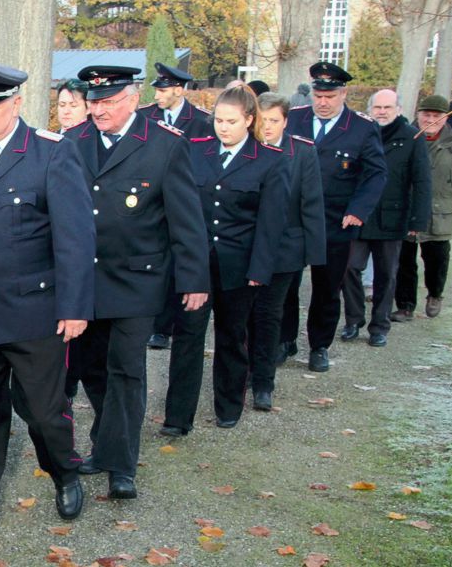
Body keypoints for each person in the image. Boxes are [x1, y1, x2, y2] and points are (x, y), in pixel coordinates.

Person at [0, 62, 95, 546]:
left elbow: (75, 236)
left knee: (46, 414)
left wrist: (75, 307)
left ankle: (65, 471)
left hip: (33, 314)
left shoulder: (51, 154)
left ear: (17, 104)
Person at [66, 66, 209, 494]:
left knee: (127, 368)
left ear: (132, 98)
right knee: (92, 367)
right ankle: (106, 443)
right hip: (85, 280)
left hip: (136, 280)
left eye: (108, 101)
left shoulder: (164, 146)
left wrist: (194, 279)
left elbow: (187, 219)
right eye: (93, 102)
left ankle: (121, 464)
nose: (98, 110)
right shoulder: (72, 143)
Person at [163, 85, 289, 430]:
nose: (223, 127)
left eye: (231, 121)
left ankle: (228, 406)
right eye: (218, 120)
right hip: (196, 265)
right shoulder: (194, 151)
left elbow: (271, 222)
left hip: (239, 266)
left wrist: (259, 269)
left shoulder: (270, 160)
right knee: (188, 336)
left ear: (249, 120)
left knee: (231, 336)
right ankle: (177, 416)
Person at [286, 62, 386, 372]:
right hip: (293, 218)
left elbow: (376, 174)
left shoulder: (361, 127)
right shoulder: (293, 120)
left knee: (327, 286)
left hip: (335, 220)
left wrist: (358, 210)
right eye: (318, 95)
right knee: (285, 283)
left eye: (330, 96)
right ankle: (284, 339)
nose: (323, 102)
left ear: (343, 94)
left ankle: (319, 346)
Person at [248, 92, 326, 410]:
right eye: (262, 120)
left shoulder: (302, 153)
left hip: (284, 250)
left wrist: (313, 255)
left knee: (269, 314)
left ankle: (263, 383)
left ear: (285, 121)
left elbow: (311, 204)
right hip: (247, 247)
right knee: (244, 316)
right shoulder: (244, 150)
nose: (267, 127)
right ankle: (243, 372)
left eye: (274, 121)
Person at [340, 90, 430, 346]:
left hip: (393, 216)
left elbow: (422, 180)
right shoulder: (360, 134)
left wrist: (418, 220)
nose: (382, 111)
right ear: (369, 109)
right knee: (349, 268)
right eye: (377, 107)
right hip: (359, 215)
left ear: (398, 109)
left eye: (387, 107)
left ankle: (379, 326)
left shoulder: (412, 137)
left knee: (386, 274)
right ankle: (354, 320)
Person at [136, 63, 212, 350]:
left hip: (185, 198)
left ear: (179, 90)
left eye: (164, 90)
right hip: (152, 199)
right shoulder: (144, 117)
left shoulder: (202, 122)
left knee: (180, 261)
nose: (157, 95)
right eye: (156, 89)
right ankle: (160, 325)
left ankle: (172, 321)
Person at [393, 94, 452, 321]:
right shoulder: (404, 138)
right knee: (404, 261)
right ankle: (405, 305)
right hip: (406, 212)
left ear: (445, 117)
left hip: (440, 212)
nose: (430, 119)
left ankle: (435, 294)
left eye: (436, 116)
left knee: (437, 259)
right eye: (426, 115)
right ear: (418, 115)